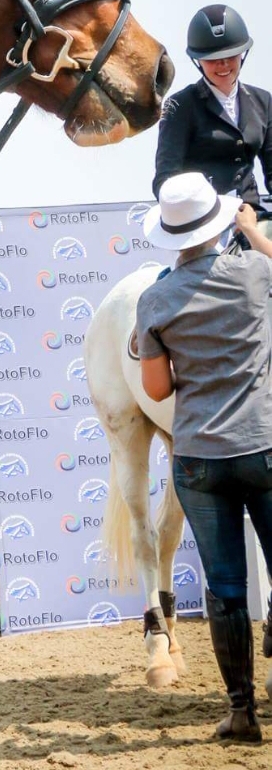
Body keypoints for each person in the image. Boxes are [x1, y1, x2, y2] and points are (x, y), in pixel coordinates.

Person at [137, 172, 272, 744]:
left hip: (199, 458)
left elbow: (159, 390)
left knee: (224, 587)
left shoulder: (155, 300)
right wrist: (253, 232)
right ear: (220, 222)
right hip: (263, 443)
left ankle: (241, 713)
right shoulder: (255, 272)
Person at [152, 4, 272, 207]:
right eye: (213, 59)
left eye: (231, 56)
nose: (223, 65)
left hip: (251, 215)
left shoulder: (263, 100)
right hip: (202, 219)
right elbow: (166, 179)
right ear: (198, 61)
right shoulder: (180, 106)